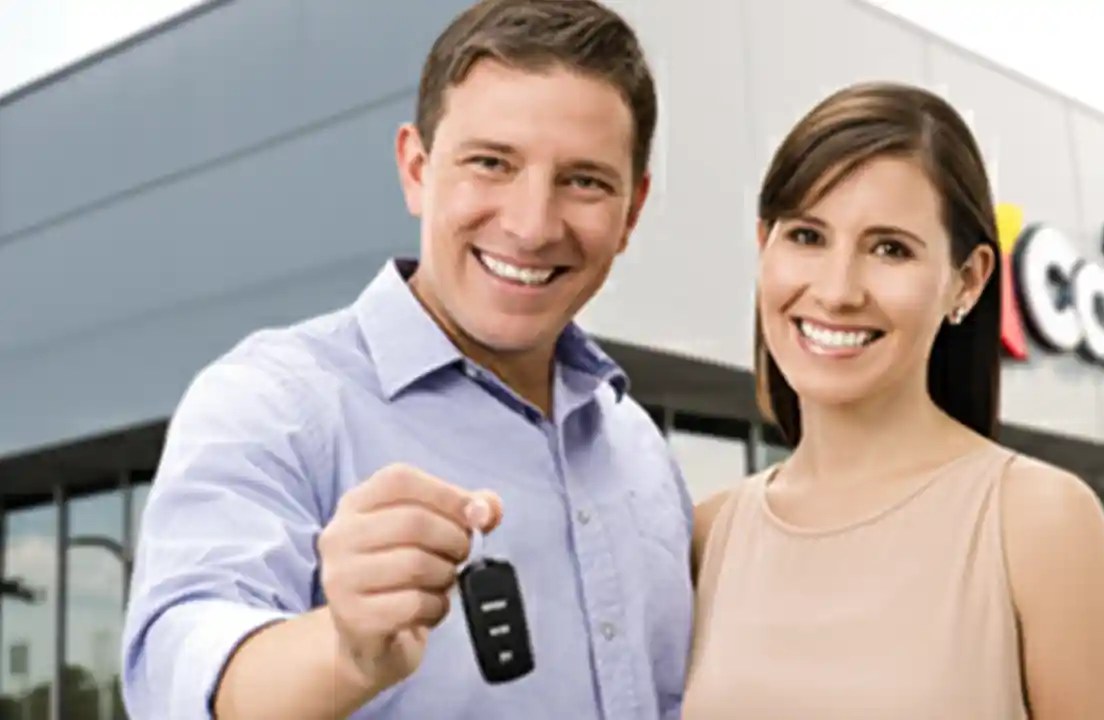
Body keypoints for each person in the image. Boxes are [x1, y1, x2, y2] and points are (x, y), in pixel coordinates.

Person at [120, 1, 694, 718]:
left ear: (632, 211)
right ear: (417, 169)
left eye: (584, 181)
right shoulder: (273, 403)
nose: (530, 224)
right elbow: (182, 667)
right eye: (491, 163)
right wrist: (344, 649)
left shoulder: (640, 448)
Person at [682, 82, 1104, 718]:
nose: (838, 290)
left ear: (969, 279)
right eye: (808, 236)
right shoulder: (708, 539)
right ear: (764, 244)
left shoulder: (1037, 522)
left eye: (889, 249)